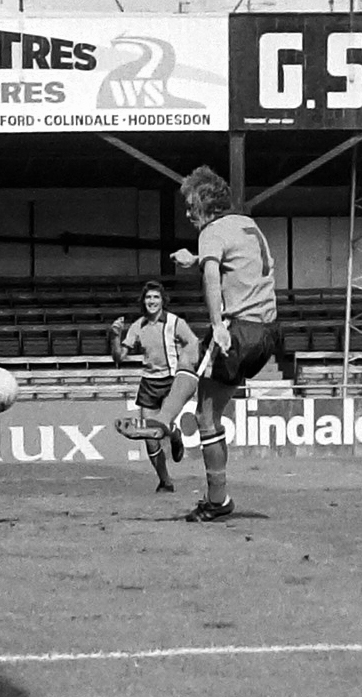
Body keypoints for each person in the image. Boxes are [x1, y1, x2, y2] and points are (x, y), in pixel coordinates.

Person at [114, 166, 283, 522]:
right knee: (201, 391)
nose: (188, 213)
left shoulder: (211, 231)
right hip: (267, 332)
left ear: (206, 203)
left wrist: (219, 322)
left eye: (191, 206)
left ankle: (163, 425)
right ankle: (207, 485)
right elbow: (245, 268)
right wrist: (197, 260)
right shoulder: (248, 227)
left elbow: (213, 276)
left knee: (199, 393)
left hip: (237, 329)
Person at [110, 279, 200, 494]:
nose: (152, 301)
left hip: (171, 380)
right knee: (149, 435)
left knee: (162, 424)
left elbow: (193, 342)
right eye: (148, 297)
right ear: (143, 301)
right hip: (149, 382)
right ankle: (165, 481)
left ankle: (174, 434)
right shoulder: (137, 326)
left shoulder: (174, 322)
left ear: (162, 301)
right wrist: (114, 336)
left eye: (155, 297)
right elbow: (119, 357)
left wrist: (185, 363)